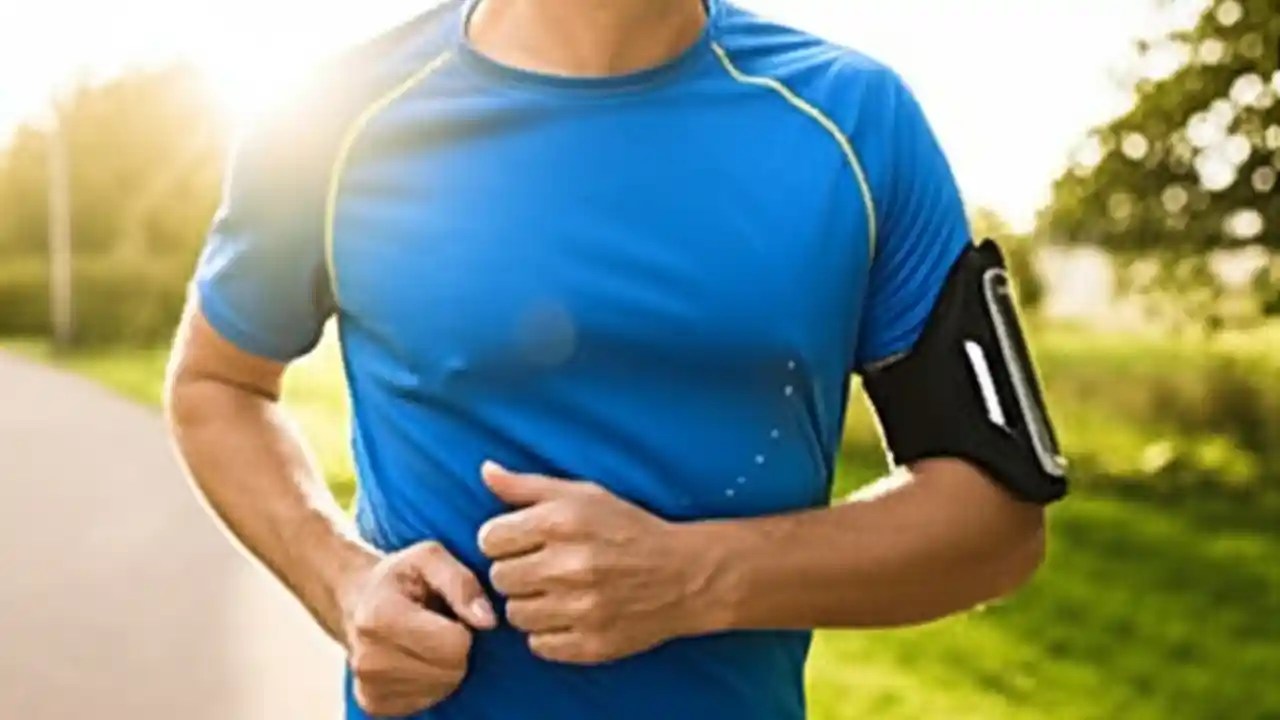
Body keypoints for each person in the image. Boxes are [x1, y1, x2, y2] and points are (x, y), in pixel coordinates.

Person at [165, 0, 1068, 718]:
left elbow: (995, 518)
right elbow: (217, 383)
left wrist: (694, 579)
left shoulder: (857, 123)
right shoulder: (332, 118)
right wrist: (342, 581)